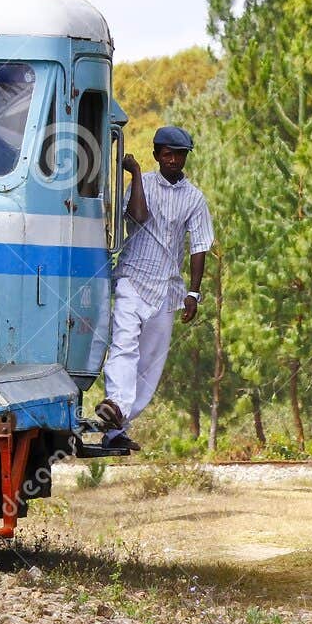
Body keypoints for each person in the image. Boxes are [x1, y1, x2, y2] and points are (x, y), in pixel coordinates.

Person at [96, 125, 214, 452]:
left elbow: (200, 245)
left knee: (150, 364)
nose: (173, 159)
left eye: (179, 154)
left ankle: (116, 428)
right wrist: (134, 173)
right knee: (124, 344)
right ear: (156, 155)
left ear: (186, 156)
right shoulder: (141, 183)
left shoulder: (194, 198)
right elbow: (137, 216)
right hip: (132, 280)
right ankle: (115, 404)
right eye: (167, 154)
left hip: (166, 290)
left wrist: (193, 293)